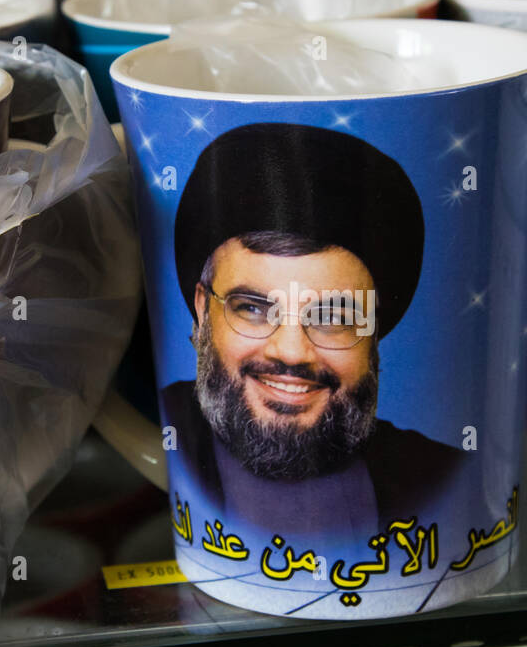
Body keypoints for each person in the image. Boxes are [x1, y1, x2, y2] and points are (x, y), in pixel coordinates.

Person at [161, 122, 467, 540]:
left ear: (373, 331)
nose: (290, 352)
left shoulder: (447, 477)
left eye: (334, 318)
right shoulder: (164, 431)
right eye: (252, 308)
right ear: (202, 308)